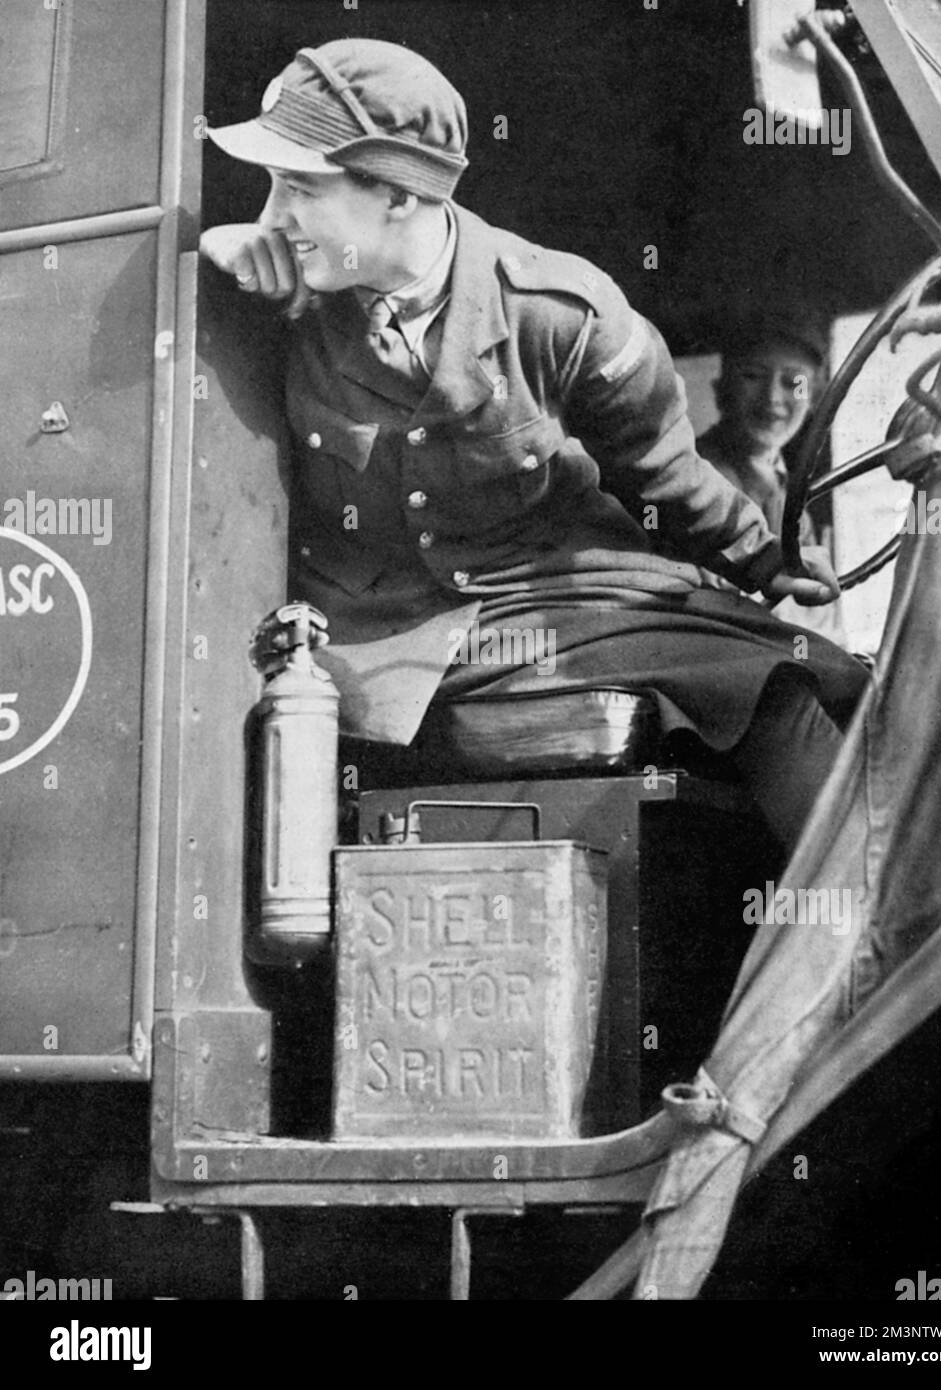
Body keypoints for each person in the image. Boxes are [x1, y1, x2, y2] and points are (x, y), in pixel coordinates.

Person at [200, 37, 867, 852]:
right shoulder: (279, 298)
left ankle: (852, 954)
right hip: (381, 631)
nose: (271, 216)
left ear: (400, 193)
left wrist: (766, 558)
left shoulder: (560, 312)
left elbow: (661, 474)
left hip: (560, 602)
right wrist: (205, 262)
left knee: (801, 680)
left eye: (299, 187)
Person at [696, 317, 846, 643]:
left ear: (814, 399)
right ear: (721, 392)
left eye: (793, 382)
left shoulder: (789, 491)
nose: (772, 398)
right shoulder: (694, 482)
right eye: (752, 376)